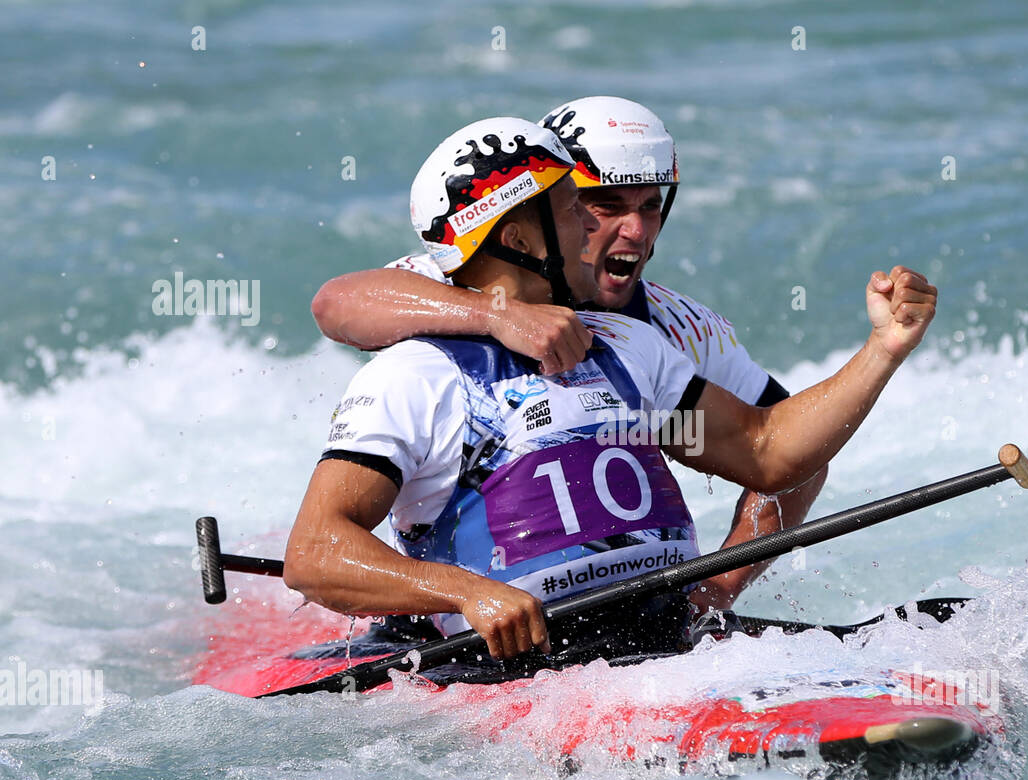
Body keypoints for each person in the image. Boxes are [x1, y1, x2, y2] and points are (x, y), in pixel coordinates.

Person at [284, 117, 938, 675]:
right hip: (514, 669)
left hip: (665, 639)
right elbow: (314, 552)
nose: (602, 231)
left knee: (935, 633)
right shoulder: (414, 372)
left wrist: (882, 349)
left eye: (646, 206)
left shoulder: (634, 341)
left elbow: (770, 450)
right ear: (517, 237)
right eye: (577, 208)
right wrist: (465, 593)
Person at [310, 97, 833, 614]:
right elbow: (336, 304)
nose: (636, 231)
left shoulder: (681, 330)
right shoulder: (464, 272)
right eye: (603, 204)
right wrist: (499, 315)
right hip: (464, 587)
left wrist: (718, 587)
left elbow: (793, 458)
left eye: (650, 205)